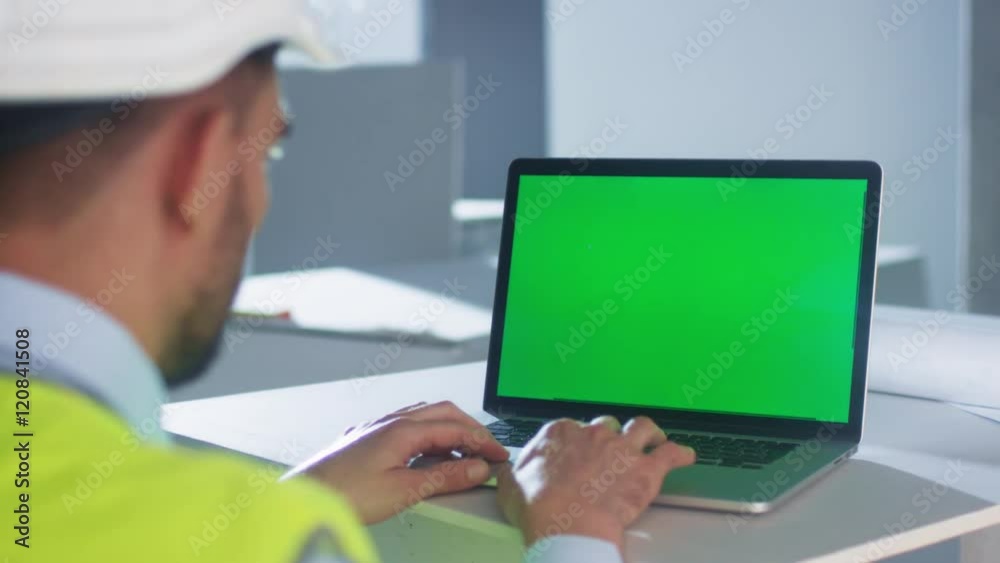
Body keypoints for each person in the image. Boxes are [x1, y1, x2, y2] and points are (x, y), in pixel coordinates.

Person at [0, 2, 694, 561]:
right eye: (265, 153)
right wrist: (574, 532)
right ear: (201, 163)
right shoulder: (278, 541)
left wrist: (285, 503)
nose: (261, 199)